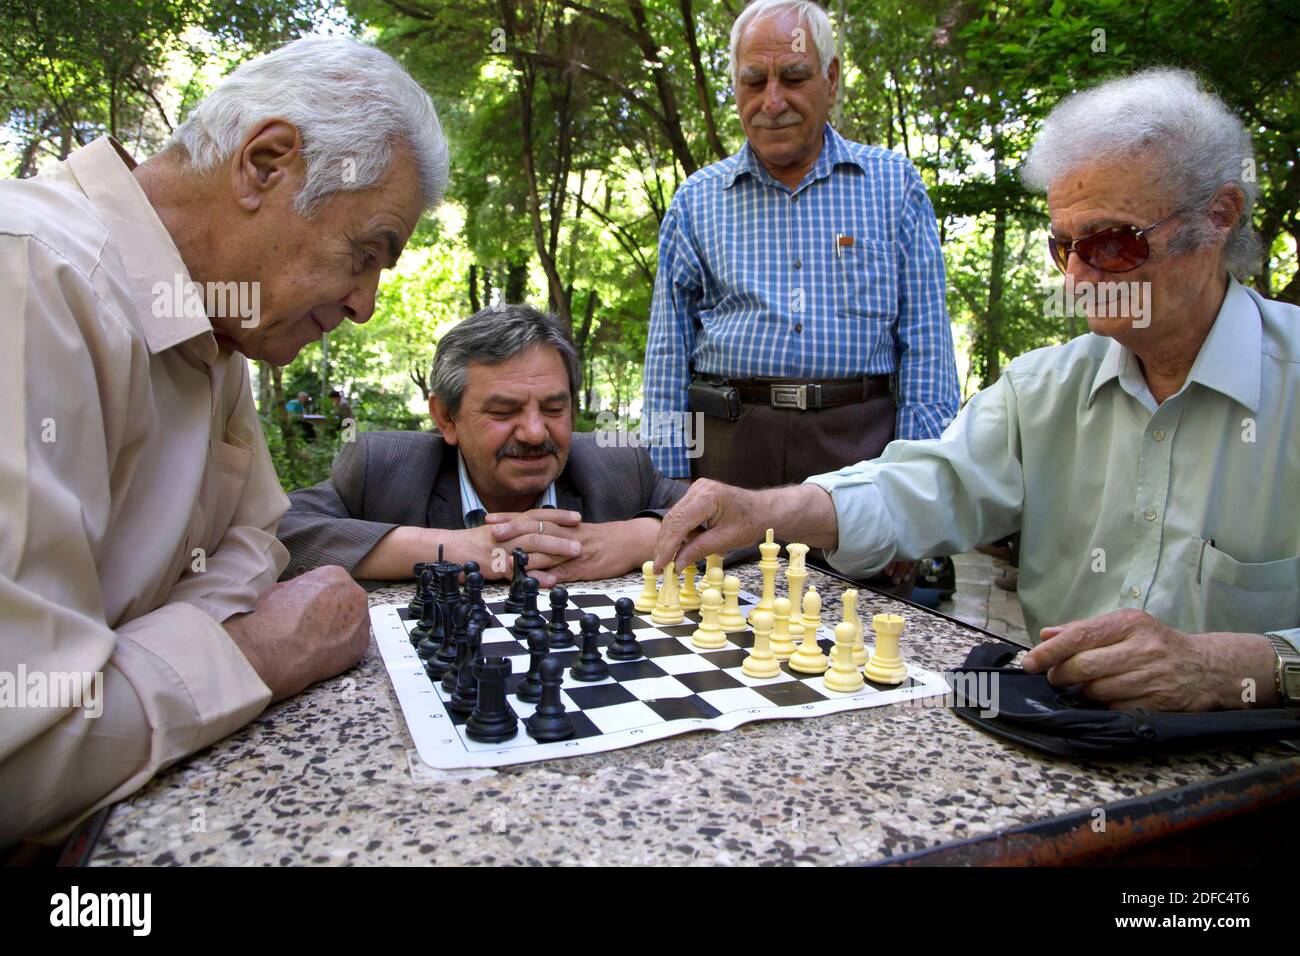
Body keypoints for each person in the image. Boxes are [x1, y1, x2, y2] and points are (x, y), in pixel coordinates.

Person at [651, 69, 1300, 714]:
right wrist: (766, 511)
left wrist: (1248, 666)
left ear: (1219, 218)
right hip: (1070, 757)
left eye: (1111, 244)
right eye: (1063, 247)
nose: (1076, 280)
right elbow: (926, 483)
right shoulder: (1043, 390)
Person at [0, 36, 449, 846]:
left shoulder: (216, 326)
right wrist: (253, 651)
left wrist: (147, 655)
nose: (366, 306)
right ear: (265, 163)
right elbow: (20, 748)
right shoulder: (31, 279)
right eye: (366, 252)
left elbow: (252, 545)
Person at [639, 0, 959, 591]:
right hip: (730, 451)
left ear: (831, 79)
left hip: (860, 453)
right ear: (735, 86)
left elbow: (928, 358)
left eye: (793, 77)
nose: (772, 101)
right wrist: (670, 491)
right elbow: (666, 365)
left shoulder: (893, 187)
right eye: (754, 82)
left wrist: (915, 499)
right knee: (719, 636)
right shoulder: (695, 201)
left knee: (863, 641)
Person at [279, 305, 686, 588]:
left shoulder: (614, 465)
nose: (533, 432)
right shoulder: (385, 469)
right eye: (504, 411)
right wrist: (451, 548)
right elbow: (275, 532)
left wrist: (633, 540)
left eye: (554, 408)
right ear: (446, 418)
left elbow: (736, 518)